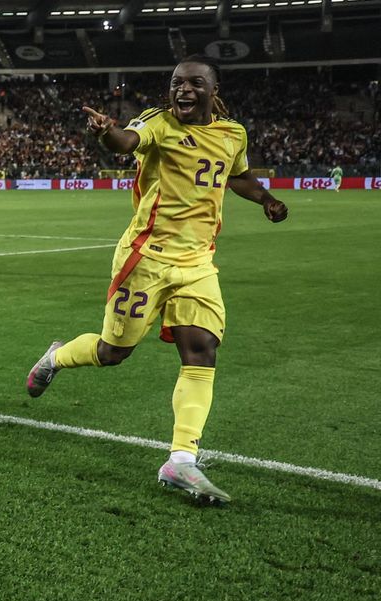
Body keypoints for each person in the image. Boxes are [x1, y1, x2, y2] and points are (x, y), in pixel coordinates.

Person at [26, 55, 288, 505]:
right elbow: (125, 142)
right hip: (146, 257)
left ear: (213, 90)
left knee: (202, 349)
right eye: (176, 83)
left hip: (198, 262)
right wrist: (106, 130)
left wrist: (264, 198)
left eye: (194, 83)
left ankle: (181, 459)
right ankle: (56, 357)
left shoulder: (233, 134)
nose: (183, 90)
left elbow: (237, 176)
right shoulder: (157, 123)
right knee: (113, 352)